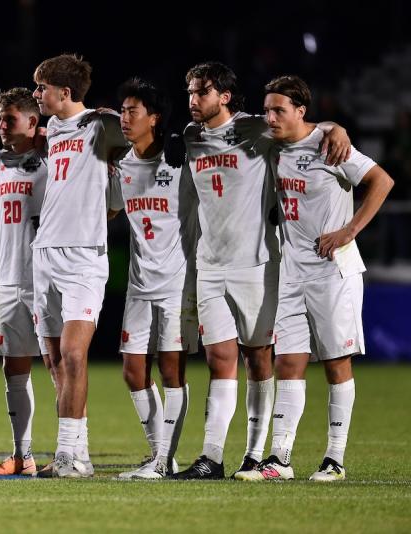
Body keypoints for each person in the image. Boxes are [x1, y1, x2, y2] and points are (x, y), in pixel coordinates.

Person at [174, 62, 351, 480]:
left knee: (258, 358)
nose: (193, 100)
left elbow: (299, 126)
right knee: (220, 358)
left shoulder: (257, 129)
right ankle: (211, 457)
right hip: (210, 264)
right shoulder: (190, 136)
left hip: (256, 264)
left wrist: (333, 127)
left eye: (201, 92)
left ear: (225, 96)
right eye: (190, 92)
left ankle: (254, 454)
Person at [235, 75, 393, 482]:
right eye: (267, 109)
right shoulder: (275, 145)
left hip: (333, 271)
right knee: (288, 362)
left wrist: (348, 231)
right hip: (291, 271)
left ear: (301, 112)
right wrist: (329, 123)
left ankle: (334, 460)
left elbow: (382, 181)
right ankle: (280, 459)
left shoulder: (329, 146)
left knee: (336, 363)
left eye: (279, 110)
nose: (270, 117)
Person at [31, 54, 129, 478]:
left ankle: (69, 455)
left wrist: (115, 198)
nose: (37, 94)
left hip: (84, 256)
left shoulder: (102, 124)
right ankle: (79, 453)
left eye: (41, 88)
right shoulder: (53, 127)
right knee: (54, 360)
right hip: (44, 252)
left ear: (65, 92)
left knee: (74, 353)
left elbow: (140, 149)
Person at [107, 78, 197, 480]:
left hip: (177, 282)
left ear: (155, 118)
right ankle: (161, 455)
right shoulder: (121, 165)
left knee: (171, 371)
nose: (124, 118)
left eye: (133, 111)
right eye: (122, 111)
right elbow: (107, 210)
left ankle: (162, 460)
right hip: (139, 285)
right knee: (132, 370)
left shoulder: (180, 159)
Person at [0, 88, 46, 476]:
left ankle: (73, 452)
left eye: (10, 118)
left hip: (49, 277)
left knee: (62, 366)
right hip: (9, 278)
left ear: (33, 121)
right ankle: (23, 456)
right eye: (0, 118)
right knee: (13, 367)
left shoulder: (55, 159)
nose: (2, 125)